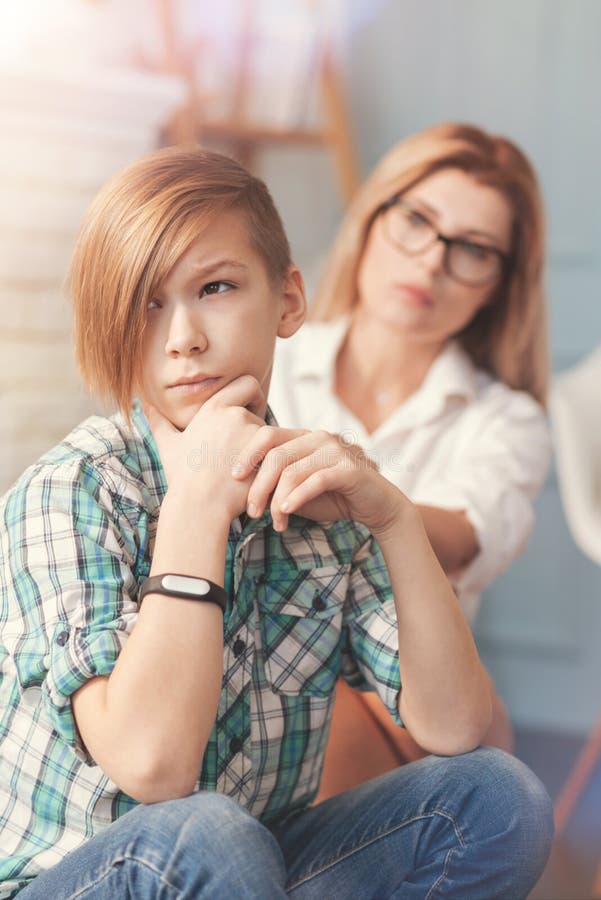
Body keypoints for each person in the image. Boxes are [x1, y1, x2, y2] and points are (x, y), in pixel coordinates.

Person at [0, 145, 553, 899]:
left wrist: (391, 516)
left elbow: (455, 725)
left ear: (288, 300)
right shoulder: (71, 489)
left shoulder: (318, 500)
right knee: (207, 834)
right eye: (146, 304)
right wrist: (197, 502)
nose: (183, 337)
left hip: (250, 867)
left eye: (216, 287)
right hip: (93, 876)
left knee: (496, 797)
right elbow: (154, 767)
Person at [269, 122, 552, 797]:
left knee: (477, 748)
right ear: (371, 219)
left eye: (472, 250)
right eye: (417, 222)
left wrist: (358, 497)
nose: (430, 264)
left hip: (403, 680)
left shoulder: (506, 419)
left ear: (498, 284)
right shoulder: (266, 357)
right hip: (259, 656)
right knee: (481, 758)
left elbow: (463, 538)